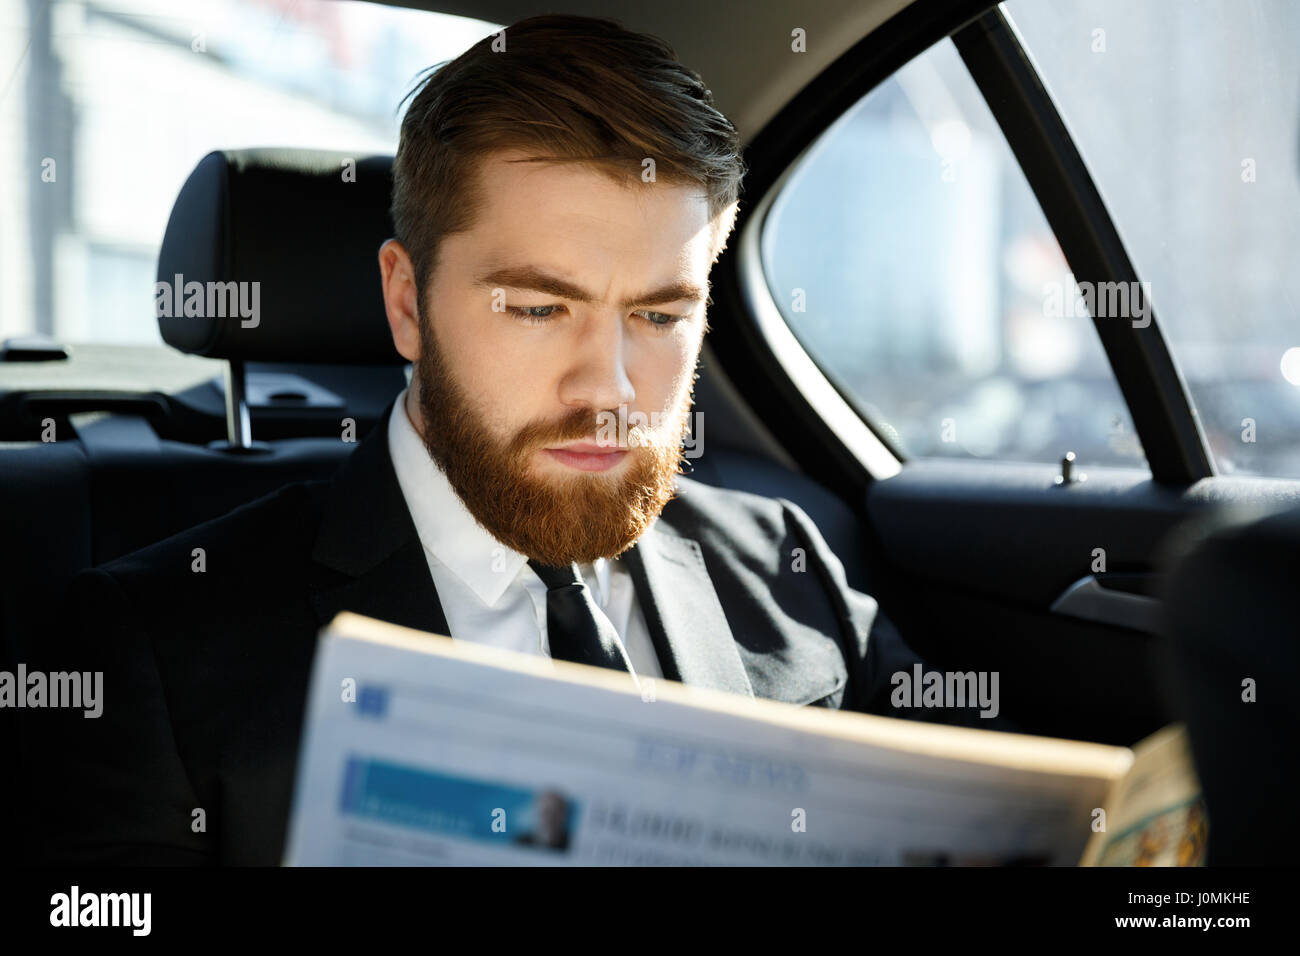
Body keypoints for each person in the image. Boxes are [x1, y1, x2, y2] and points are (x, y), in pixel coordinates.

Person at [32, 14, 1014, 866]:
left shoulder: (788, 567)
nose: (610, 388)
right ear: (407, 303)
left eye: (660, 316)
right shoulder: (160, 645)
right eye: (540, 309)